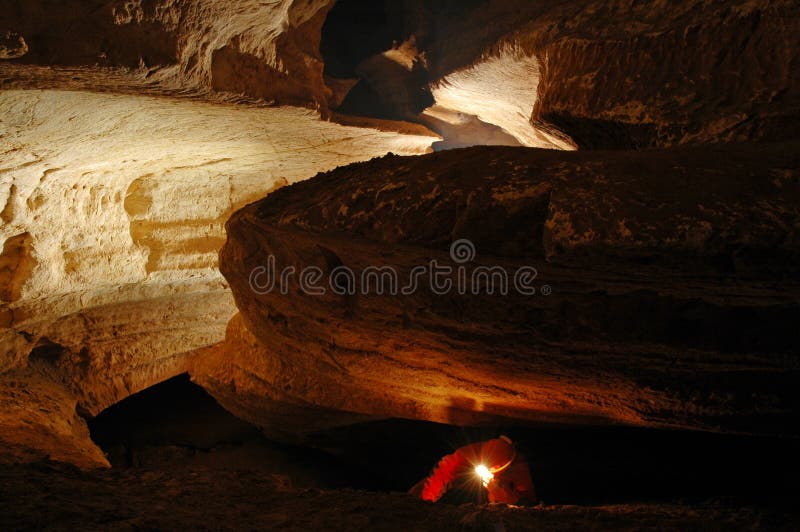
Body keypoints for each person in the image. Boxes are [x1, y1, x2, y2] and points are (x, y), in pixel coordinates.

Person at [409, 436, 535, 505]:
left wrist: (500, 494)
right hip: (466, 477)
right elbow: (443, 471)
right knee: (429, 487)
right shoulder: (467, 456)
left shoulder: (518, 468)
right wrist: (426, 502)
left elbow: (527, 500)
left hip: (501, 494)